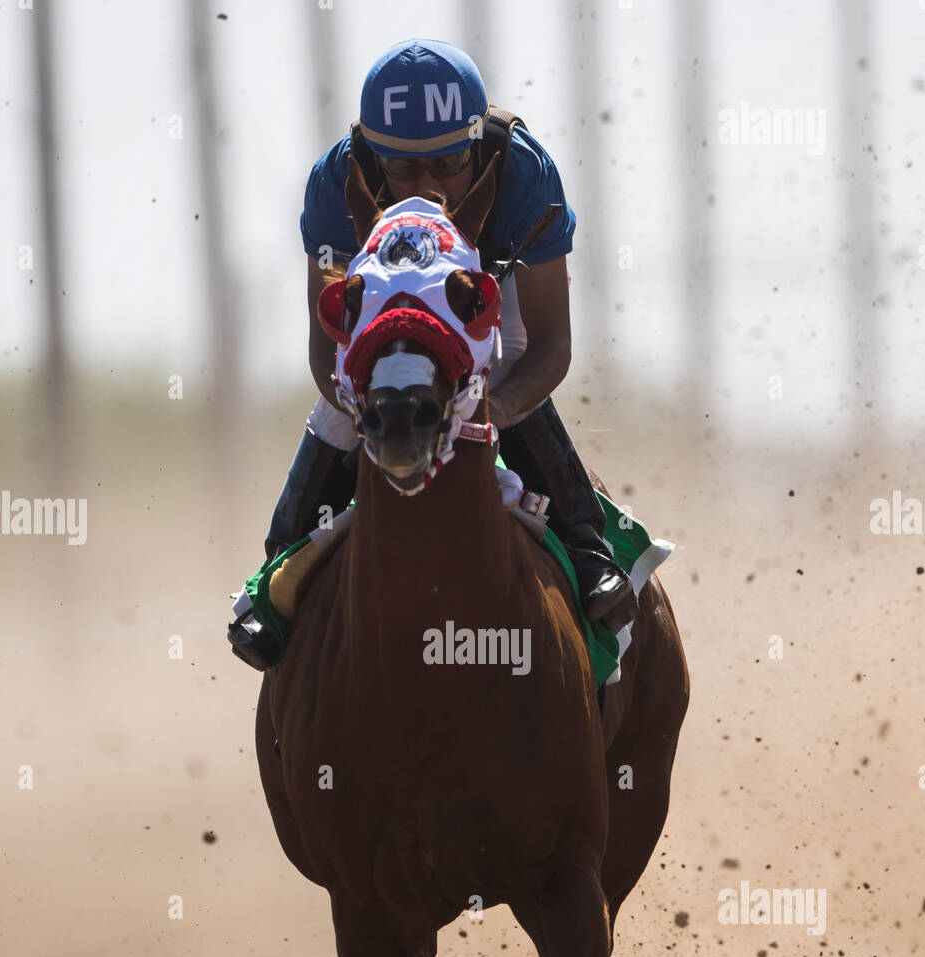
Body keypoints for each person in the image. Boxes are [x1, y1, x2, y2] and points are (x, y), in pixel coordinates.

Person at [229, 37, 635, 669]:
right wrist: (362, 405)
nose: (429, 187)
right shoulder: (337, 184)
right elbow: (325, 342)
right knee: (340, 408)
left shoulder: (523, 171)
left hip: (482, 312)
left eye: (448, 165)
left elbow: (552, 344)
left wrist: (485, 407)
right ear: (368, 156)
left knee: (508, 353)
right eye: (403, 171)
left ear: (479, 146)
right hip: (380, 331)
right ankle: (277, 573)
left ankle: (587, 550)